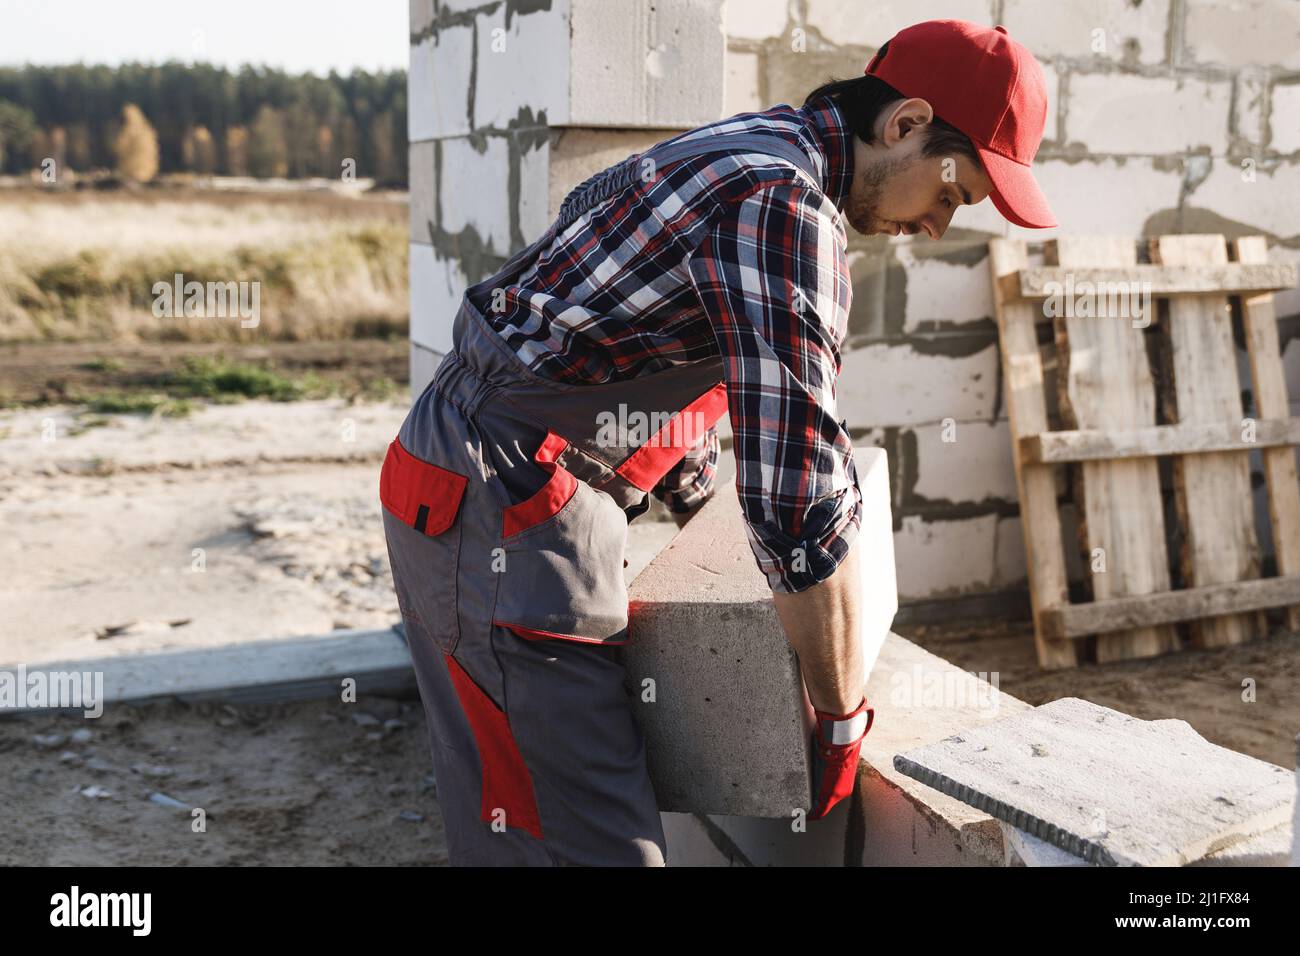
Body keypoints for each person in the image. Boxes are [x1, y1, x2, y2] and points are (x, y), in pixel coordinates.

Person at [379, 18, 1057, 866]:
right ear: (906, 124)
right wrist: (843, 718)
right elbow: (798, 502)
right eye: (952, 195)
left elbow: (636, 337)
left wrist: (710, 531)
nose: (936, 229)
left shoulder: (755, 144)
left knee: (529, 817)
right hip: (492, 505)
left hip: (485, 482)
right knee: (579, 845)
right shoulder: (784, 206)